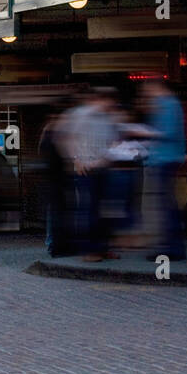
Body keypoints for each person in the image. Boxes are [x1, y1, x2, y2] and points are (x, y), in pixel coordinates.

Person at [57, 88, 120, 261]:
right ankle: (89, 250)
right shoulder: (81, 115)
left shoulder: (107, 118)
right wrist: (76, 159)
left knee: (105, 210)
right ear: (101, 99)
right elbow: (67, 137)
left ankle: (102, 247)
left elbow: (113, 142)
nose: (112, 105)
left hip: (102, 167)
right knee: (89, 209)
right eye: (110, 101)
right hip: (86, 168)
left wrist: (105, 158)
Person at [141, 79, 187, 261]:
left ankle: (171, 248)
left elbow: (167, 132)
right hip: (166, 158)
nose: (146, 93)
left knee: (165, 206)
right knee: (166, 204)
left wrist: (146, 133)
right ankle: (171, 246)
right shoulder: (168, 104)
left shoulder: (167, 104)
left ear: (157, 87)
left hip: (165, 159)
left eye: (148, 89)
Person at [39, 105, 74, 256]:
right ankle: (57, 246)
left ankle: (54, 244)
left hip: (53, 180)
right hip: (57, 180)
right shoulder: (54, 135)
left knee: (55, 213)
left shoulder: (47, 134)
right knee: (57, 214)